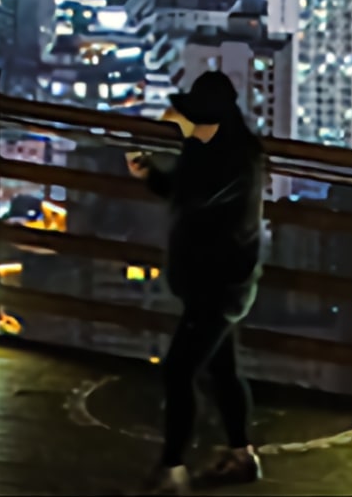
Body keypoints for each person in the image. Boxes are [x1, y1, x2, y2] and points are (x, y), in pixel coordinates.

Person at [127, 69, 267, 491]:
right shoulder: (216, 147)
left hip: (221, 285)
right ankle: (242, 457)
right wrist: (150, 174)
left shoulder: (235, 158)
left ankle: (172, 467)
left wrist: (181, 135)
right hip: (213, 282)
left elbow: (193, 193)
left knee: (178, 371)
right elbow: (182, 190)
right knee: (221, 371)